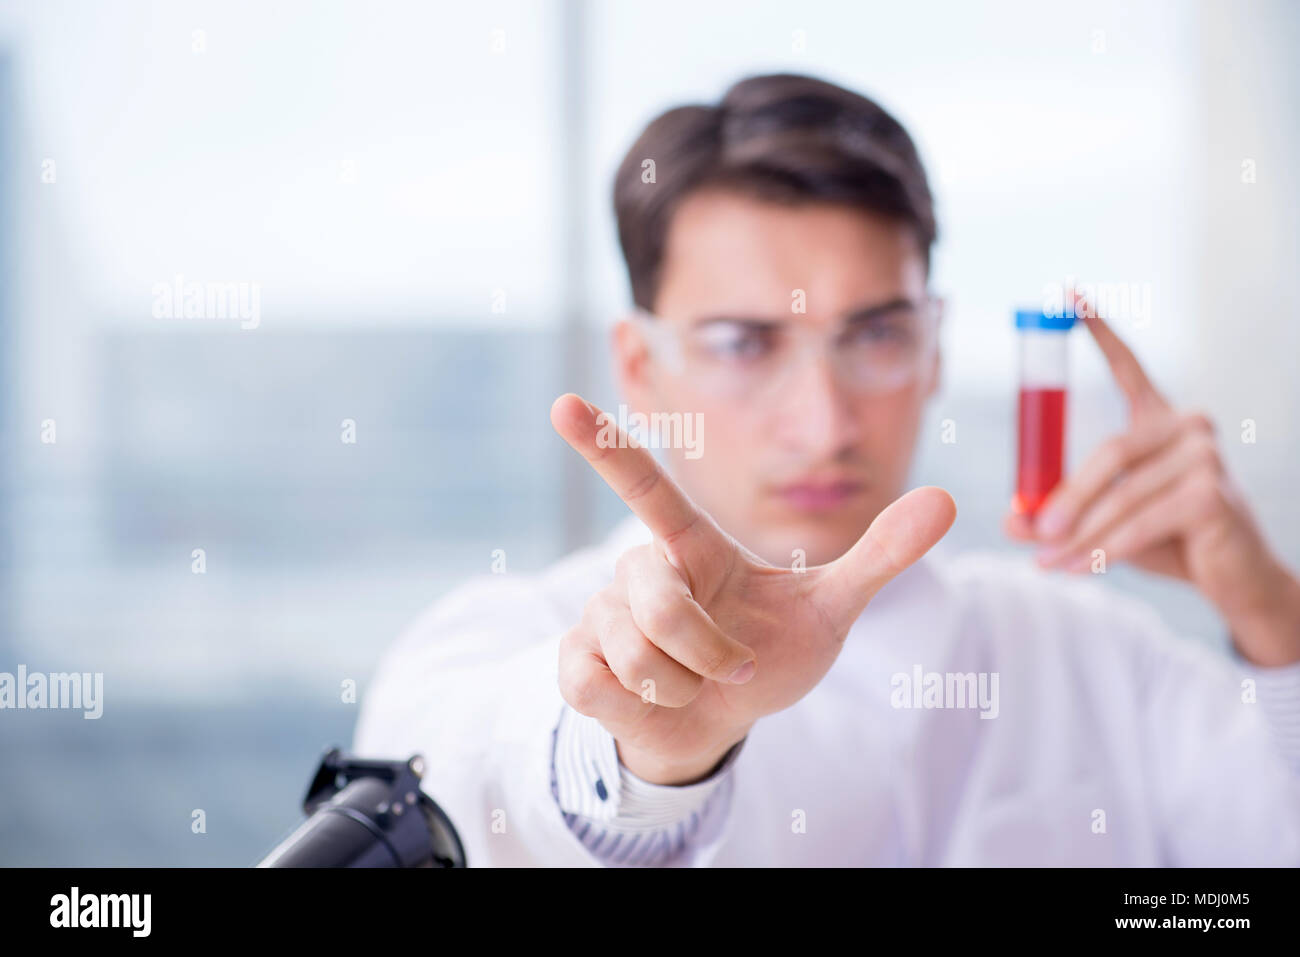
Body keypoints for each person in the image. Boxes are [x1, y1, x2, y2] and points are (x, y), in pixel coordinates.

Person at [353, 72, 1300, 866]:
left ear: (935, 350)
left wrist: (1275, 622)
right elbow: (471, 790)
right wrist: (647, 759)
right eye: (744, 342)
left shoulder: (1092, 653)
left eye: (877, 334)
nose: (825, 420)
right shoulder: (490, 643)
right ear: (640, 368)